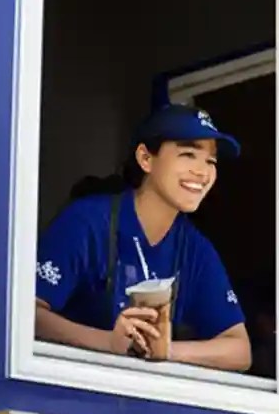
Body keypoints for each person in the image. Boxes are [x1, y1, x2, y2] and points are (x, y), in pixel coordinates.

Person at [34, 104, 251, 372]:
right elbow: (27, 315)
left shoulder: (194, 247)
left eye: (211, 161)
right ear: (145, 158)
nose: (202, 172)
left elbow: (239, 350)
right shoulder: (87, 221)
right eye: (187, 154)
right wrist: (108, 343)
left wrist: (168, 350)